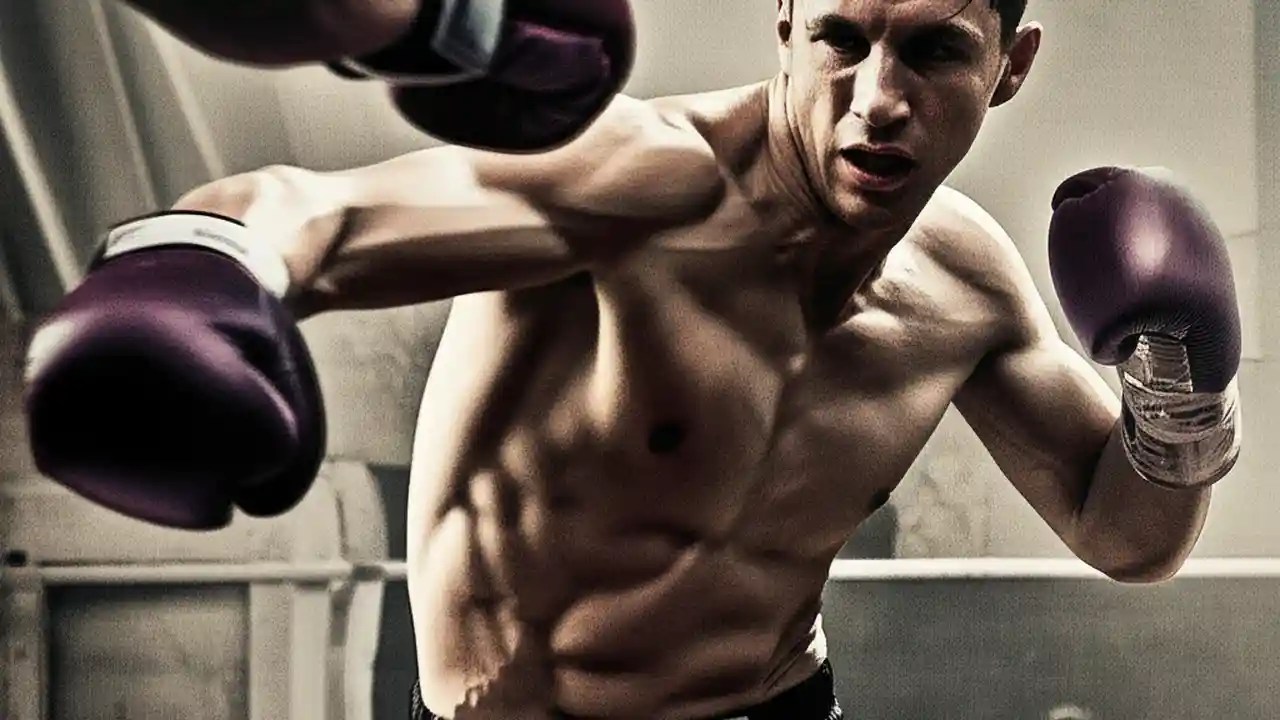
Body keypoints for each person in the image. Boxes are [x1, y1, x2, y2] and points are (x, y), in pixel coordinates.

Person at [23, 0, 1245, 718]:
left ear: (1009, 66)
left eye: (931, 50)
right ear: (781, 27)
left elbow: (1125, 539)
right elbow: (313, 212)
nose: (877, 98)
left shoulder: (962, 284)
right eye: (837, 37)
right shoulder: (637, 184)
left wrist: (1181, 391)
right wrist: (197, 266)